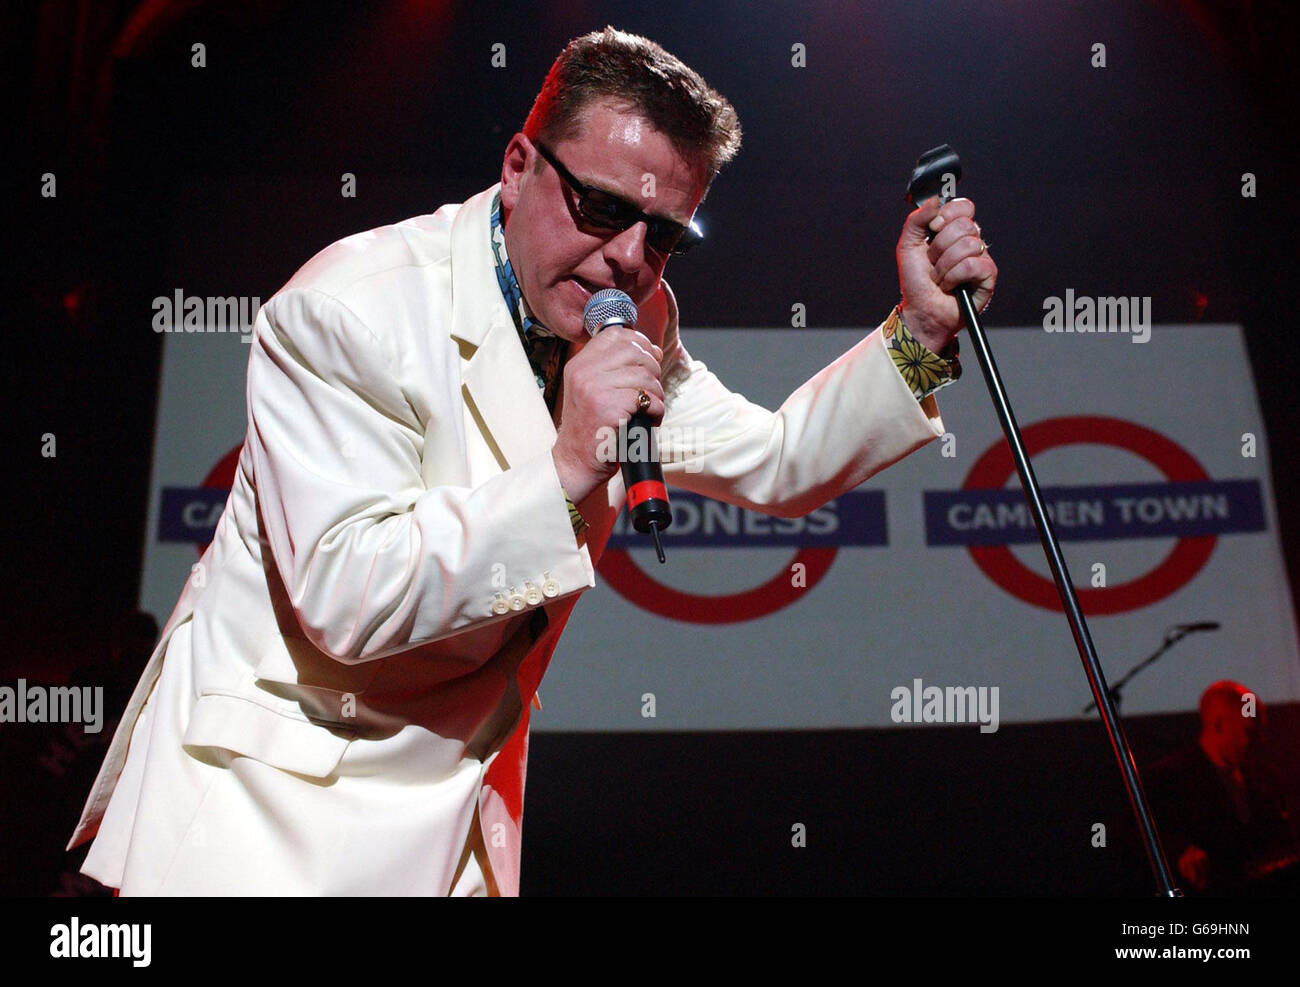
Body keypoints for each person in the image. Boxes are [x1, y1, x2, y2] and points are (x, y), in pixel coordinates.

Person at [67, 27, 996, 895]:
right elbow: (345, 596)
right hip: (269, 827)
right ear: (517, 167)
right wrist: (564, 467)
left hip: (454, 831)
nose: (629, 259)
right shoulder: (349, 312)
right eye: (601, 208)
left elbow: (776, 462)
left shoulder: (632, 316)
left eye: (663, 234)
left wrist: (917, 331)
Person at [1144, 680, 1295, 894]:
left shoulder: (1265, 777)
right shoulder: (1168, 778)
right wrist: (1181, 852)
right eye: (1250, 732)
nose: (1259, 741)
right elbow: (1137, 834)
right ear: (1218, 725)